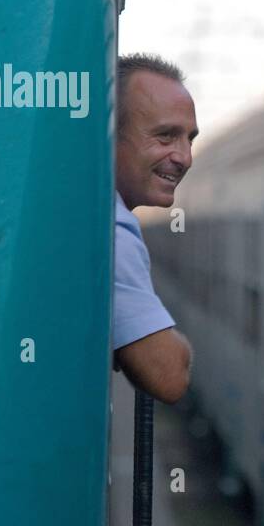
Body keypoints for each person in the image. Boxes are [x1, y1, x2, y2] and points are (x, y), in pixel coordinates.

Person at [112, 53, 197, 403]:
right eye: (165, 137)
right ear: (107, 136)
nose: (184, 157)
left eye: (189, 139)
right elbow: (168, 376)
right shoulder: (107, 236)